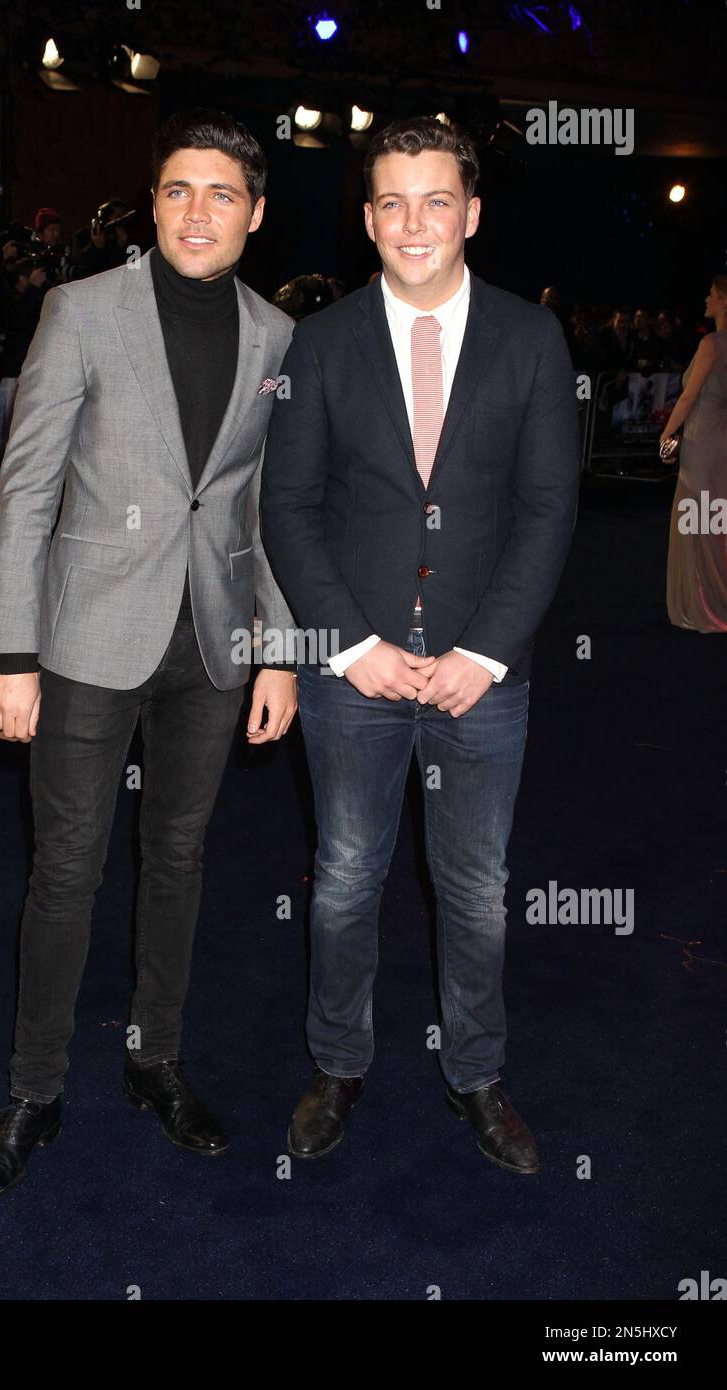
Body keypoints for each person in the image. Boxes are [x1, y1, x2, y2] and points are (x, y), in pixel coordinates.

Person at [0, 109, 298, 1203]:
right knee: (67, 870)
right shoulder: (82, 309)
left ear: (255, 212)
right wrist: (13, 652)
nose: (198, 210)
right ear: (153, 204)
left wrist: (280, 650)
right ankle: (36, 1088)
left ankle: (154, 1061)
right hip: (88, 637)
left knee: (181, 860)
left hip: (214, 644)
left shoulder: (272, 337)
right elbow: (28, 487)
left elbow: (259, 511)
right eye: (177, 190)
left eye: (222, 193)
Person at [261, 115, 579, 1173]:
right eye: (391, 201)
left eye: (435, 199)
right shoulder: (321, 342)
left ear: (472, 213)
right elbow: (289, 507)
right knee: (347, 873)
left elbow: (547, 511)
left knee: (476, 886)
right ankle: (337, 1062)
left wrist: (482, 653)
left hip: (485, 680)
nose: (414, 221)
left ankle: (477, 1076)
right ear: (367, 218)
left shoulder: (533, 341)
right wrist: (348, 645)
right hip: (354, 673)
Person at [662, 276, 727, 632]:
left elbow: (688, 398)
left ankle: (701, 607)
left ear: (724, 302)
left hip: (702, 444)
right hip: (723, 445)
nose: (706, 299)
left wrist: (667, 434)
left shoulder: (712, 344)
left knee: (697, 522)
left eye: (712, 295)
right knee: (716, 522)